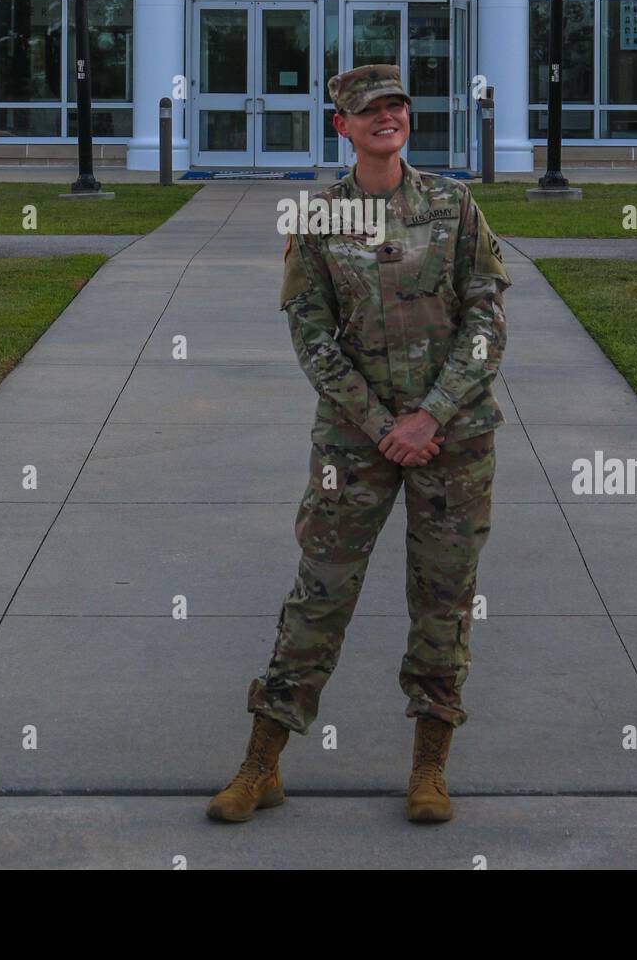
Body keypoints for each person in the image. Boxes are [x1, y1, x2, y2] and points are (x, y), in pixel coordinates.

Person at [206, 64, 510, 825]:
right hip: (354, 442)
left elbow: (487, 322)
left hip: (454, 440)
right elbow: (310, 338)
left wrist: (430, 416)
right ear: (341, 126)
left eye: (397, 105)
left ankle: (429, 770)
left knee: (443, 603)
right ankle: (261, 765)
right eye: (370, 109)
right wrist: (382, 426)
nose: (388, 116)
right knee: (320, 595)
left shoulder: (453, 205)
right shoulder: (315, 219)